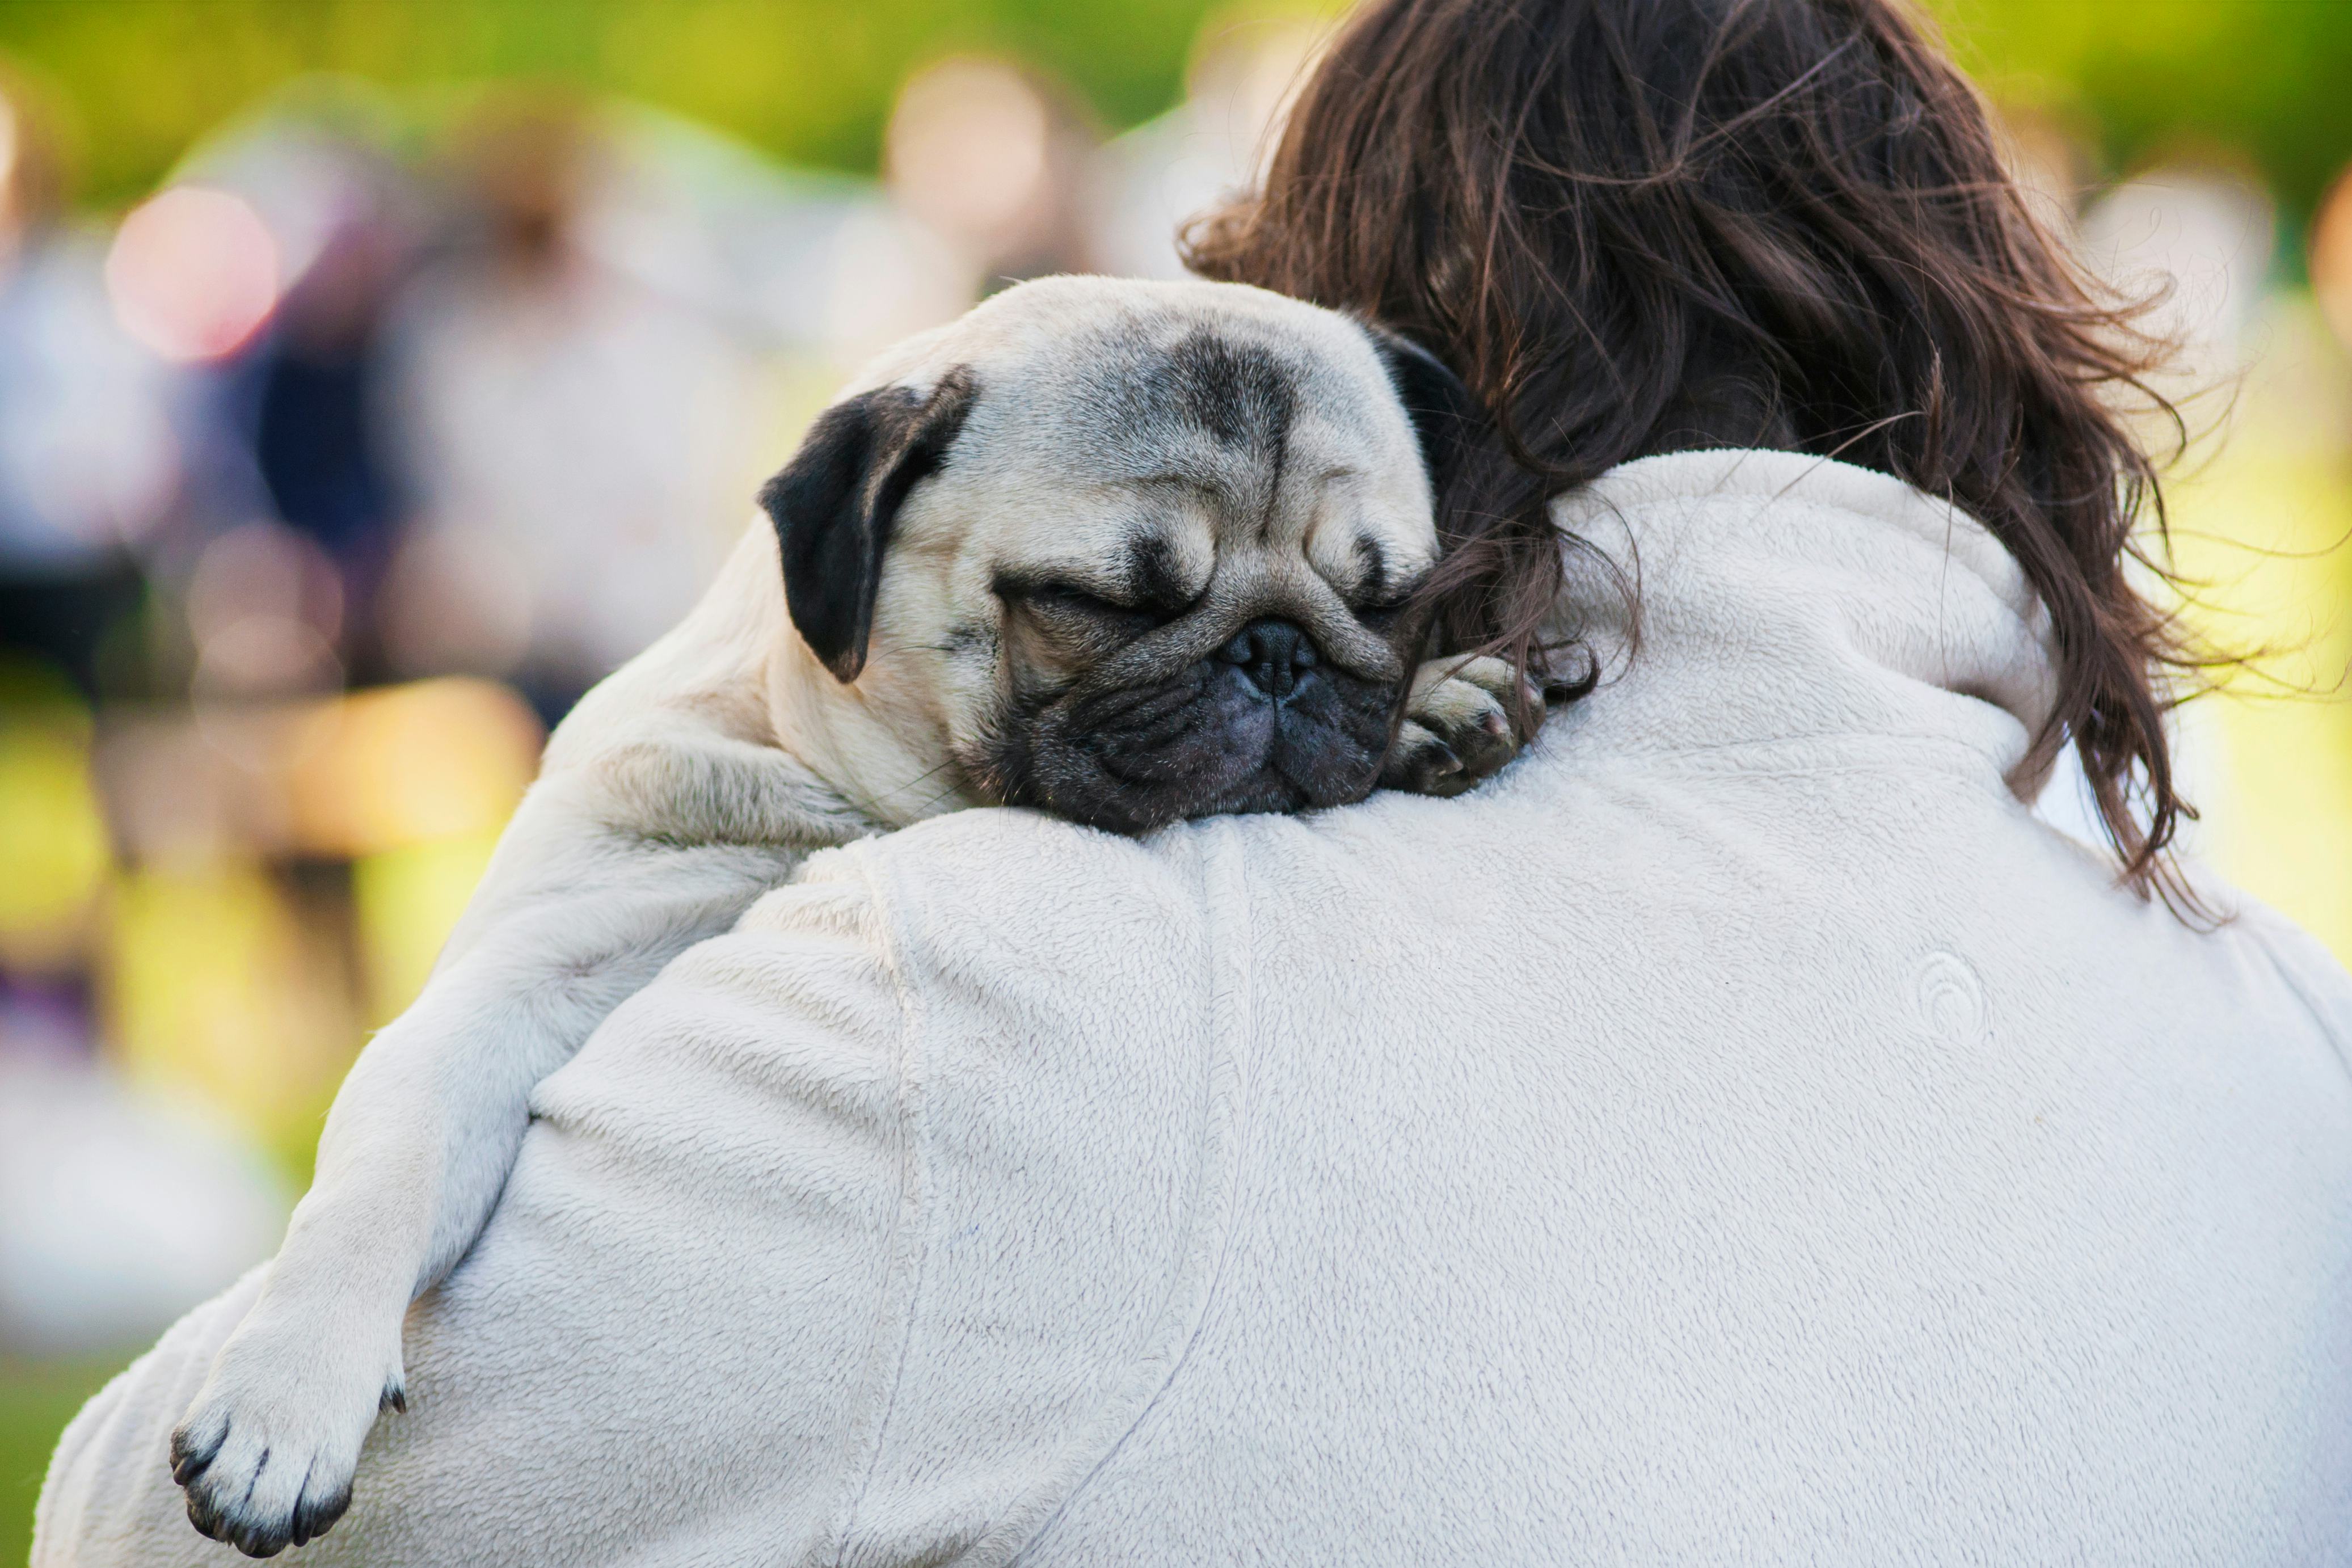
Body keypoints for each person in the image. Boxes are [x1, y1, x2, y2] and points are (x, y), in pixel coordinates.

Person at [37, 0, 2352, 1561]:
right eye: (1115, 602)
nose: (1265, 677)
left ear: (1442, 419)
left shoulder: (1016, 1004)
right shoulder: (2291, 1035)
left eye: (1345, 603)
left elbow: (154, 1526)